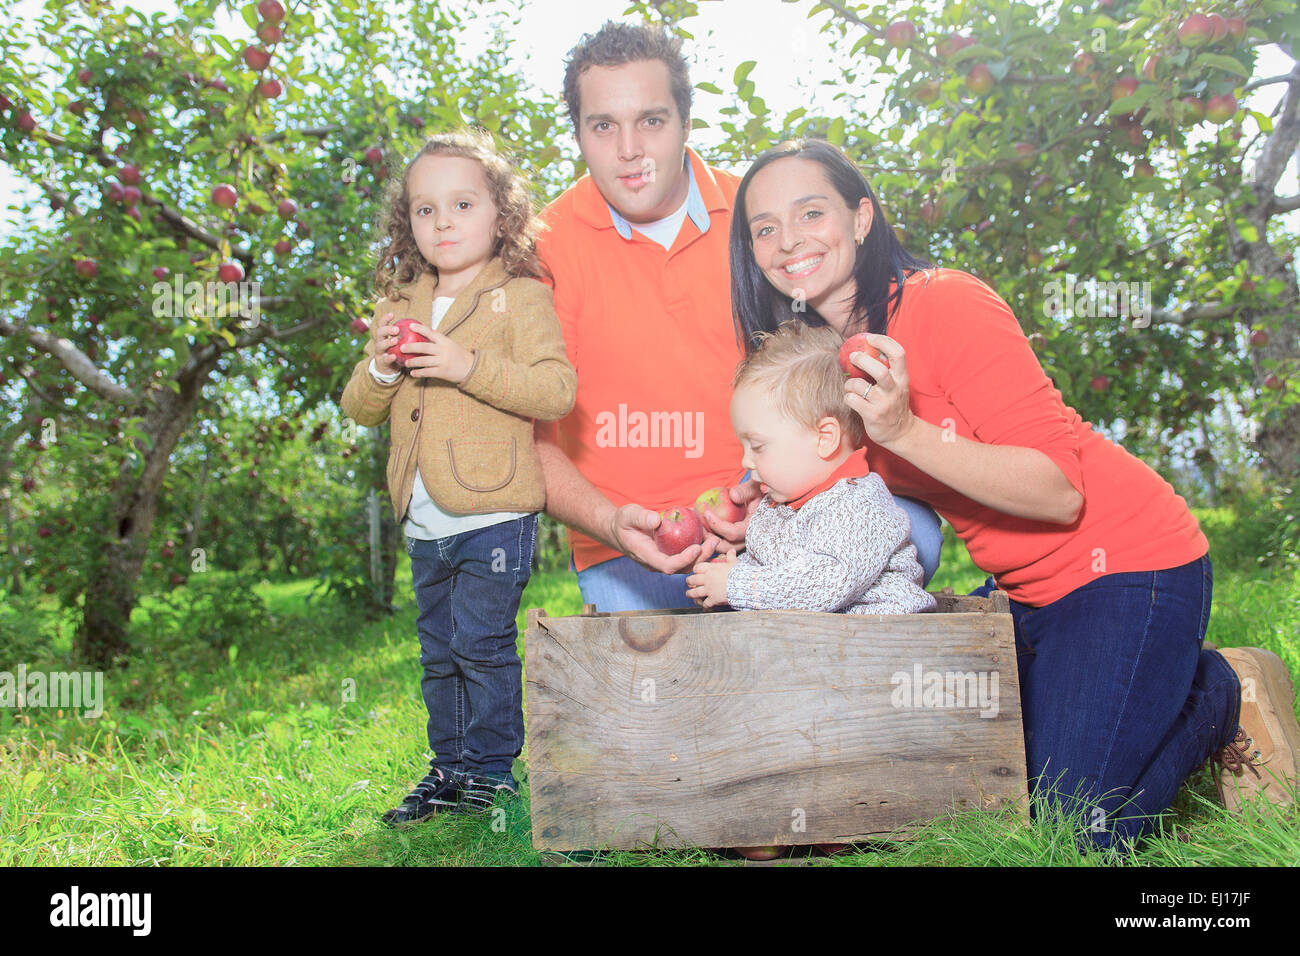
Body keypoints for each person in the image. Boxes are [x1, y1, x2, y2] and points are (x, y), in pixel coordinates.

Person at [723, 136, 1300, 847]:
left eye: (811, 213)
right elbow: (847, 489)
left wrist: (903, 430)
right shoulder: (821, 361)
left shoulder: (946, 304)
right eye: (765, 228)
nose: (789, 241)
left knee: (1069, 832)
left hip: (1130, 565)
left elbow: (1060, 494)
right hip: (1024, 594)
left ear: (863, 218)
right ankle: (1136, 688)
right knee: (976, 788)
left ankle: (1214, 694)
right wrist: (766, 507)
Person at [534, 21, 943, 614]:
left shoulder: (765, 219)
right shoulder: (542, 249)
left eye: (651, 120)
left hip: (797, 517)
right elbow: (526, 442)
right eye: (603, 126)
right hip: (632, 549)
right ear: (577, 133)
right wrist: (608, 522)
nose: (630, 149)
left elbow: (838, 367)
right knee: (661, 693)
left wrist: (779, 500)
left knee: (902, 536)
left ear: (685, 122)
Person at [340, 129, 577, 825]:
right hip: (422, 515)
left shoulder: (521, 297)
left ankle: (492, 772)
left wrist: (465, 365)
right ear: (406, 224)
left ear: (501, 216)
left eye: (463, 204)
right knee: (438, 651)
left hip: (493, 511)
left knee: (481, 643)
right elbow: (358, 408)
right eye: (424, 209)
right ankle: (447, 768)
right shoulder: (398, 305)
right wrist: (383, 366)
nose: (443, 221)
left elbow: (556, 391)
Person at [686, 321, 935, 616]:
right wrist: (729, 578)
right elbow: (777, 577)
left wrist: (738, 584)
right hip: (817, 647)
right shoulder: (775, 507)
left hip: (878, 649)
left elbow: (825, 583)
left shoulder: (860, 507)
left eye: (758, 446)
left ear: (825, 438)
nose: (746, 462)